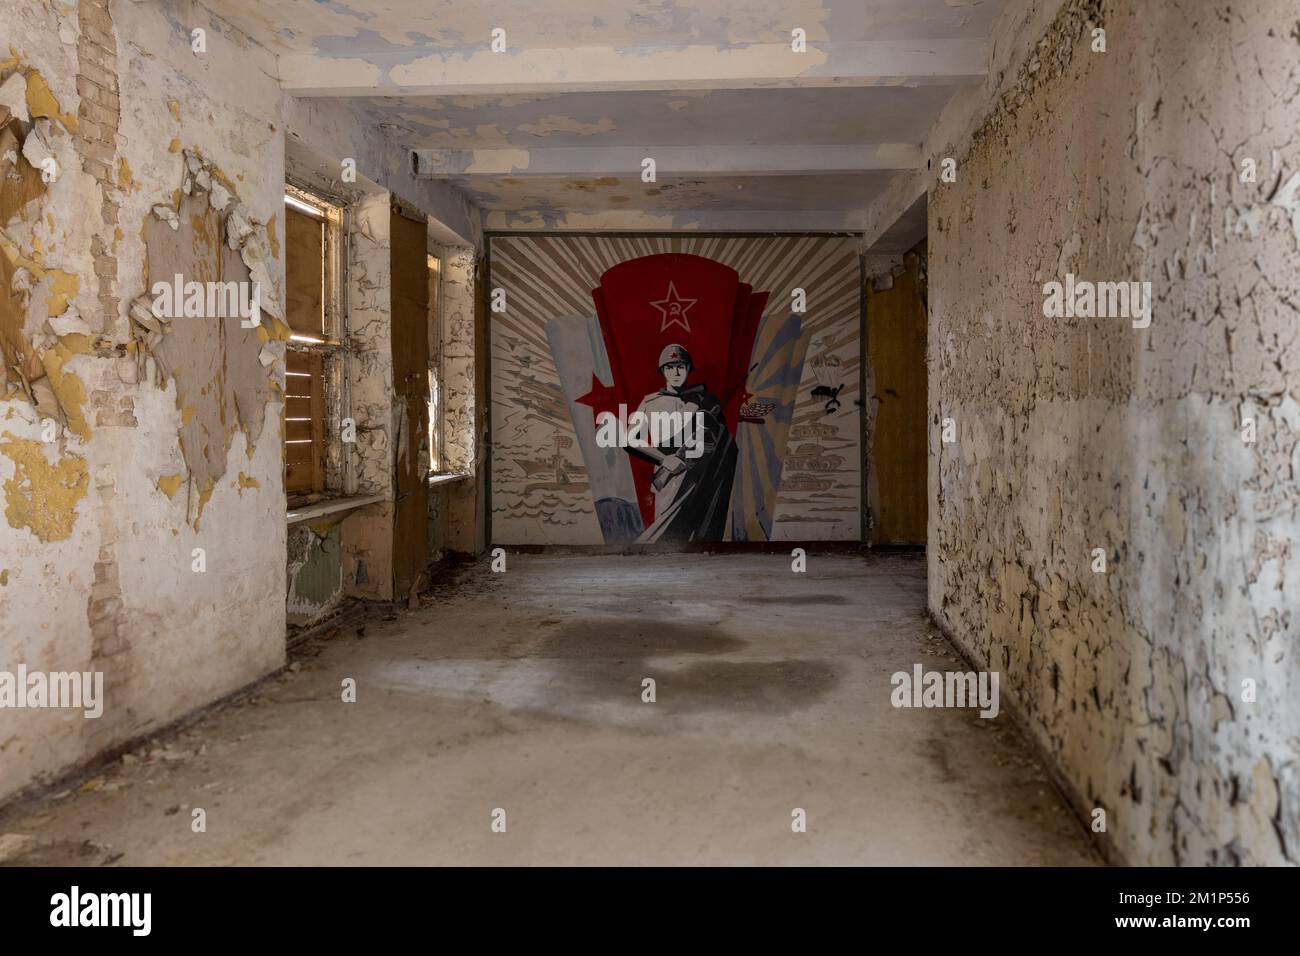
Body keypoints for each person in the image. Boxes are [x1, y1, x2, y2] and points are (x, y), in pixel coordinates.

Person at [628, 344, 736, 542]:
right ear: (662, 371)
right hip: (670, 476)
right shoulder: (650, 402)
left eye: (681, 366)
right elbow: (631, 440)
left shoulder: (704, 399)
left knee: (701, 536)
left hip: (702, 475)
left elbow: (724, 441)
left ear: (688, 368)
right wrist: (663, 459)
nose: (676, 372)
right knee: (667, 536)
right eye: (670, 367)